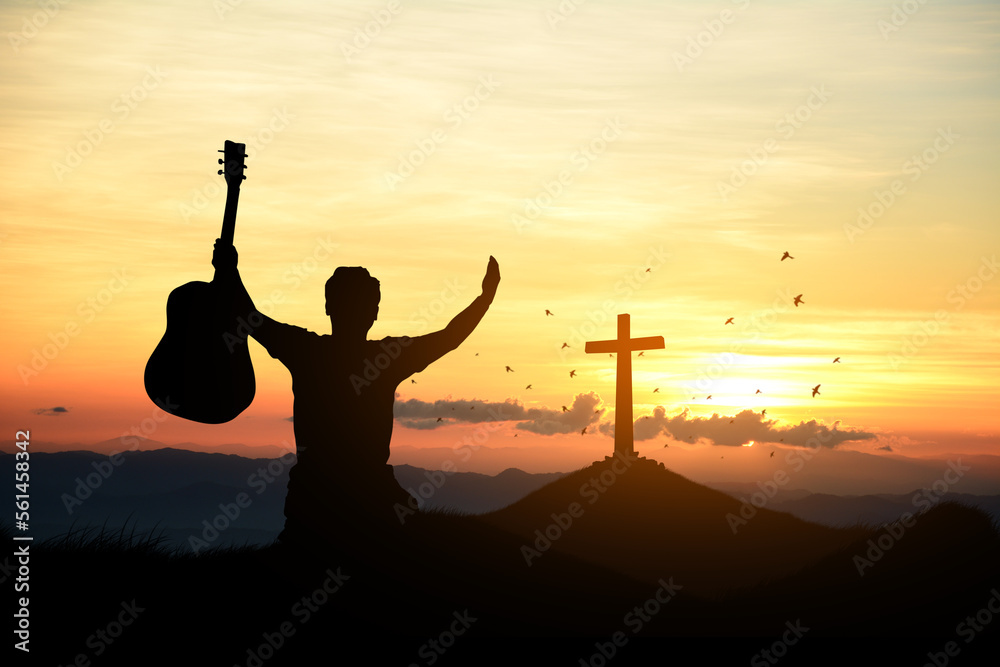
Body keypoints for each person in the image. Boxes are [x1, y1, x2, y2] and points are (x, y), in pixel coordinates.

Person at [212, 241, 500, 557]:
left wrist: (229, 271)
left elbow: (250, 317)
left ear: (328, 307)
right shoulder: (387, 357)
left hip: (313, 501)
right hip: (369, 498)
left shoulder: (306, 351)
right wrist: (485, 299)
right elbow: (449, 337)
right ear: (373, 313)